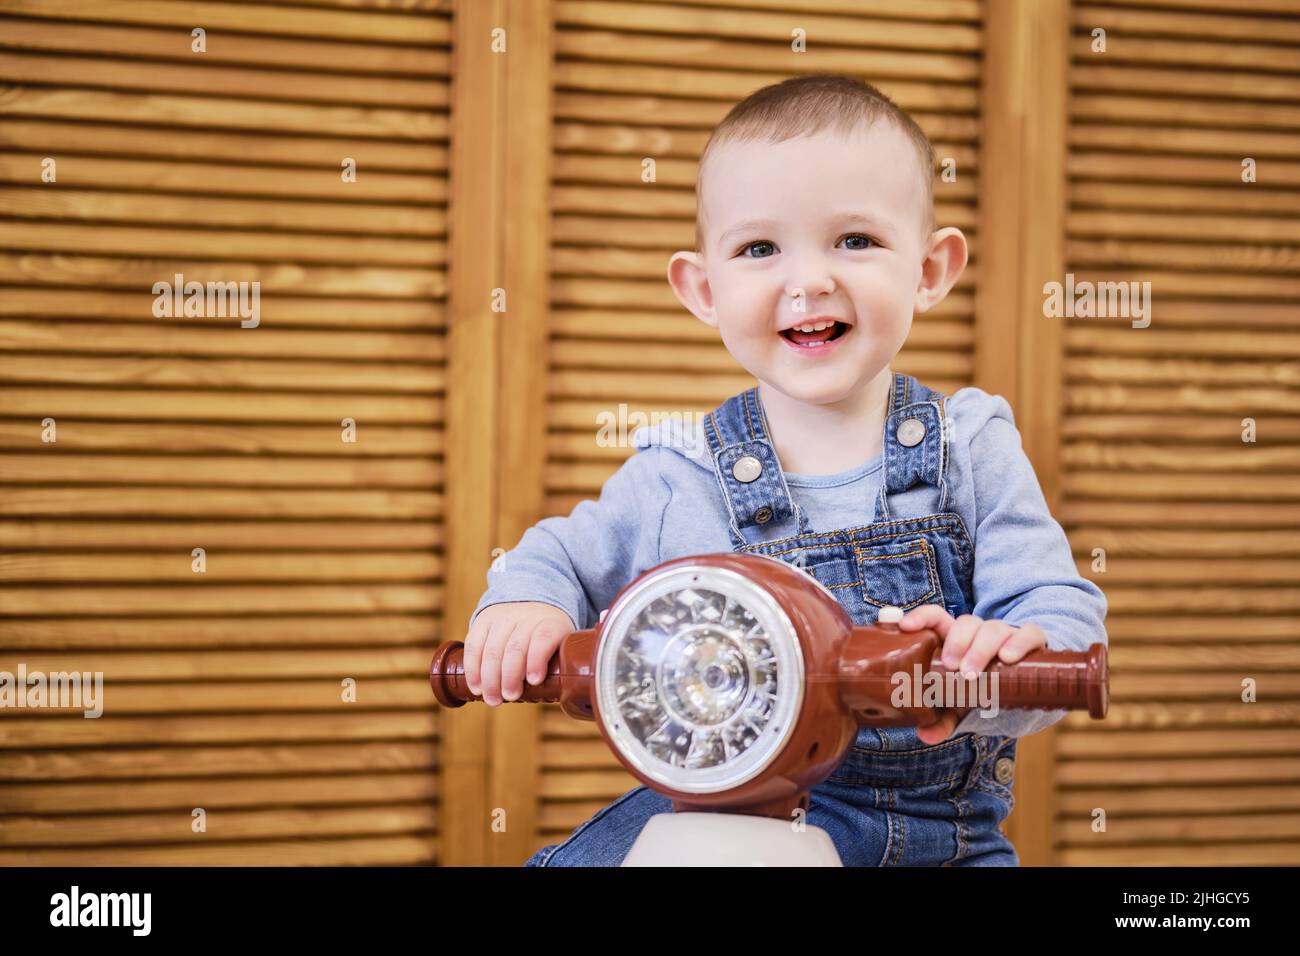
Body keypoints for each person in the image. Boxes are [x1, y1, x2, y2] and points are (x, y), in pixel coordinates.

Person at [462, 73, 1108, 866]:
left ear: (930, 270)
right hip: (727, 822)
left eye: (856, 240)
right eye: (759, 248)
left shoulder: (970, 446)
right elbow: (558, 552)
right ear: (704, 288)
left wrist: (1005, 650)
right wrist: (525, 605)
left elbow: (1061, 611)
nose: (809, 280)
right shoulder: (678, 471)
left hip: (943, 839)